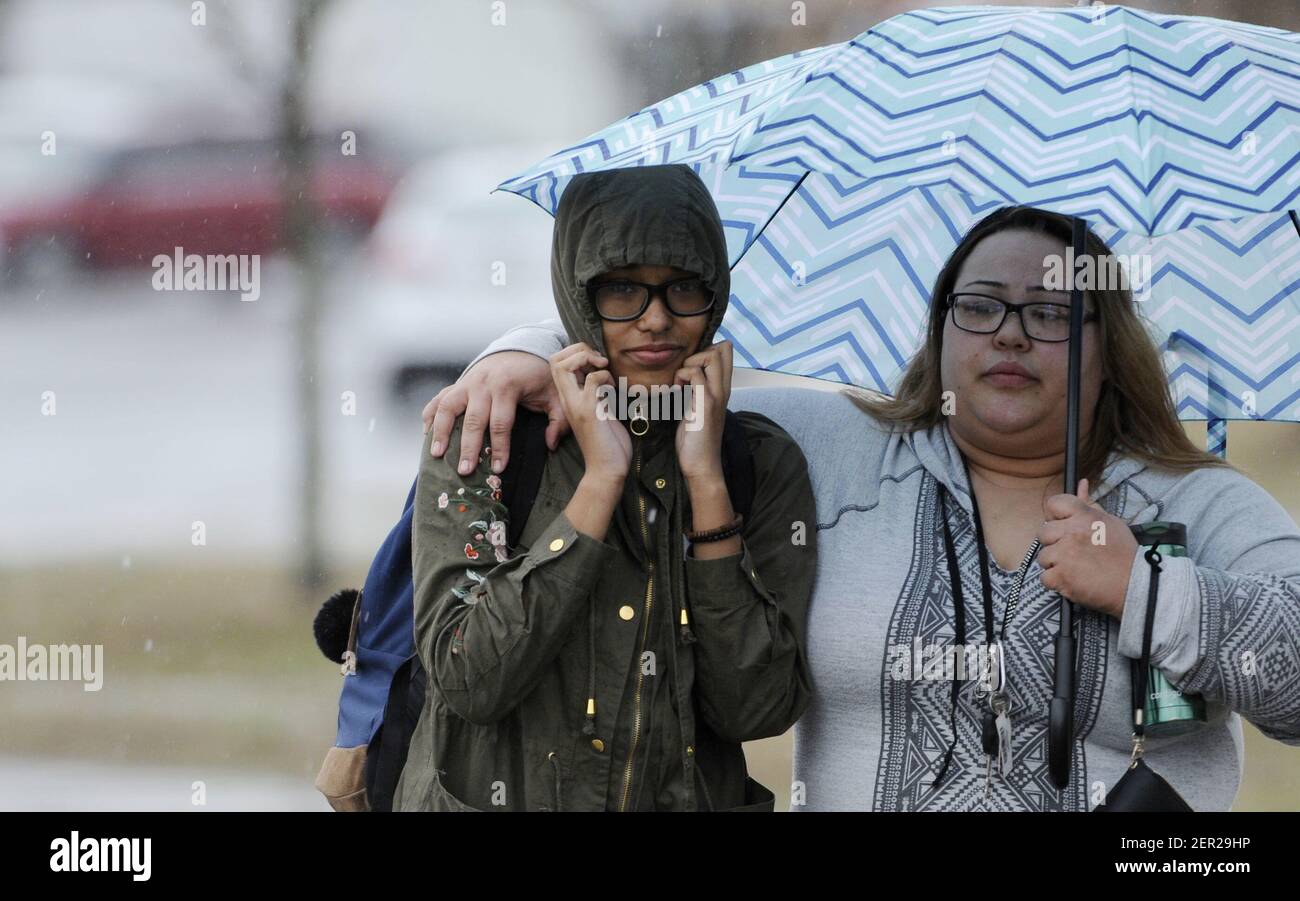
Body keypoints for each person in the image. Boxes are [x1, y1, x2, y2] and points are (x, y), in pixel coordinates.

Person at [422, 205, 1300, 811]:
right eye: (981, 305)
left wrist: (1146, 590)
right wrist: (524, 349)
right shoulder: (831, 450)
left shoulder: (1192, 500)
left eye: (1053, 313)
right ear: (938, 329)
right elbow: (656, 380)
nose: (1009, 333)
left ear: (1113, 343)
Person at [393, 164, 817, 811]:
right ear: (577, 292)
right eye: (622, 290)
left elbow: (755, 707)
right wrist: (599, 485)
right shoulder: (489, 435)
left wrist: (706, 488)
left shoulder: (756, 460)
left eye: (683, 288)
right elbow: (470, 677)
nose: (655, 319)